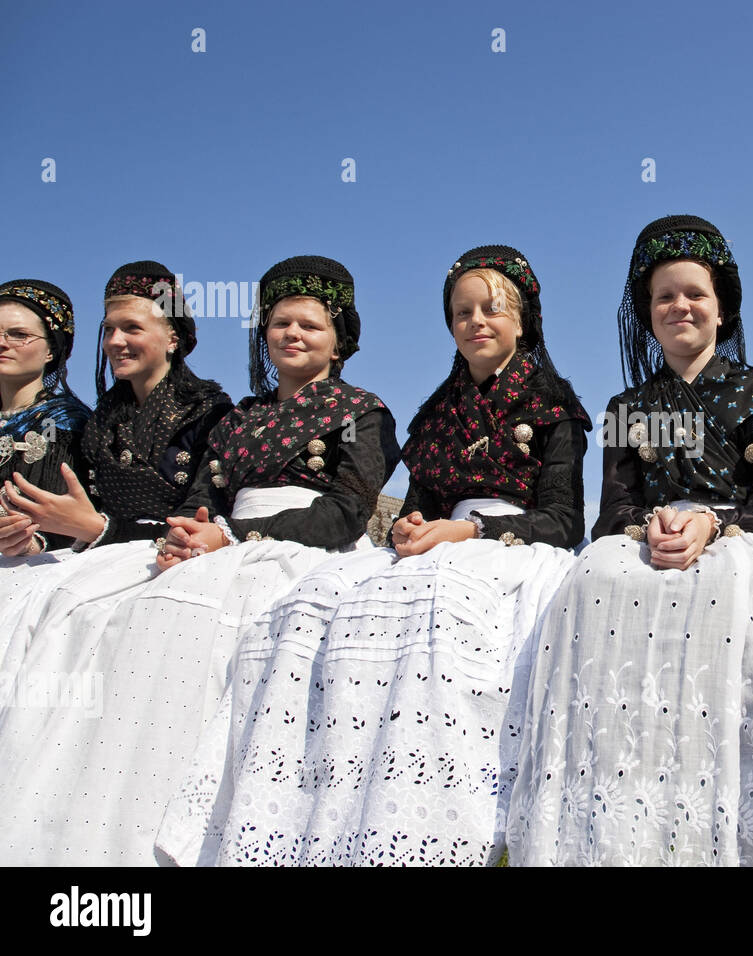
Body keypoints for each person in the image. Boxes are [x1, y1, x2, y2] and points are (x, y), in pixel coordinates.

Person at [155, 245, 589, 866]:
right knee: (319, 602)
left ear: (524, 321)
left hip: (509, 551)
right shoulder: (438, 412)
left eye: (493, 309)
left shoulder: (554, 409)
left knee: (434, 615)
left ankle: (442, 815)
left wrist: (465, 534)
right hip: (436, 548)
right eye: (462, 311)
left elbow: (564, 520)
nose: (476, 321)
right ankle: (316, 812)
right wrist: (414, 527)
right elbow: (417, 505)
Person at [0, 255, 399, 865]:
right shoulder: (242, 418)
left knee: (183, 618)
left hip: (300, 546)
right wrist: (194, 531)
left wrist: (235, 536)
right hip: (222, 543)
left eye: (310, 326)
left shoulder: (362, 413)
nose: (292, 335)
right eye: (279, 323)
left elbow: (347, 510)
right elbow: (201, 496)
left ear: (341, 339)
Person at [506, 215, 753, 866]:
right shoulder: (628, 407)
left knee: (730, 584)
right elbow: (614, 508)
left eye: (695, 294)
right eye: (664, 297)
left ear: (723, 308)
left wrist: (714, 523)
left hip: (738, 537)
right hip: (645, 539)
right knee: (599, 575)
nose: (680, 306)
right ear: (647, 313)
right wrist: (646, 527)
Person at [0, 261, 231, 665]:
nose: (115, 341)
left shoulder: (208, 413)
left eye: (132, 328)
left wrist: (95, 529)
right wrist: (36, 537)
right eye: (108, 329)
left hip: (171, 567)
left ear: (173, 337)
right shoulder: (104, 420)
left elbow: (201, 516)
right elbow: (75, 516)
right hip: (95, 558)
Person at [0, 278, 91, 556]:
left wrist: (33, 542)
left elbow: (77, 520)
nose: (3, 344)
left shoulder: (68, 424)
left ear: (51, 350)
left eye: (19, 334)